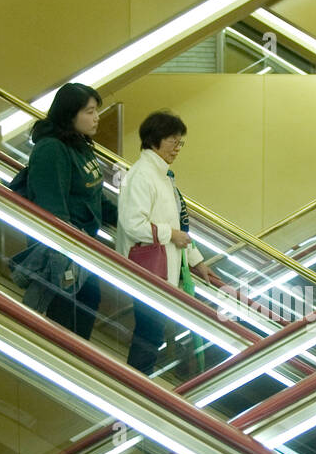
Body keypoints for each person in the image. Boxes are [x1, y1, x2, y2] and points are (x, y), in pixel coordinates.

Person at [116, 110, 223, 374]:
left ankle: (139, 386)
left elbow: (179, 224)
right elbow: (133, 223)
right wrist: (170, 235)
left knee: (152, 332)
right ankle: (136, 387)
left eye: (180, 142)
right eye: (173, 141)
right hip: (148, 269)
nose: (177, 148)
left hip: (163, 268)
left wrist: (197, 261)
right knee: (149, 333)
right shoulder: (142, 175)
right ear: (155, 140)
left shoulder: (163, 176)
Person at [24, 83, 117, 340]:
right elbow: (52, 208)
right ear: (69, 114)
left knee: (85, 307)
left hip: (82, 250)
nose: (96, 117)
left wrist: (127, 219)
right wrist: (69, 251)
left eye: (96, 110)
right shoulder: (51, 149)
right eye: (89, 111)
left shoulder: (80, 145)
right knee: (66, 321)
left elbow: (95, 196)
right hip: (62, 255)